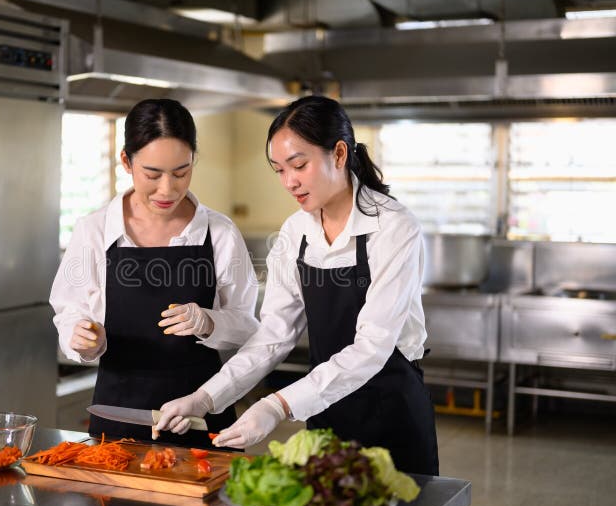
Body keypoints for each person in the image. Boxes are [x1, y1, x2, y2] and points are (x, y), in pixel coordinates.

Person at [156, 95, 439, 475]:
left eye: (299, 165)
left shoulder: (393, 226)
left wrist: (277, 406)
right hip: (324, 405)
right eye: (278, 170)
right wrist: (206, 398)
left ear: (339, 154)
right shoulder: (296, 232)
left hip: (391, 408)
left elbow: (372, 347)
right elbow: (274, 333)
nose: (289, 182)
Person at [50, 99, 259, 448]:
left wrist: (209, 322)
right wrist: (85, 341)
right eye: (152, 174)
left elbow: (247, 324)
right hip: (117, 416)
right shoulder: (95, 230)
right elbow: (69, 311)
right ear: (126, 162)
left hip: (201, 415)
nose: (168, 189)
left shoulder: (219, 232)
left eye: (181, 172)